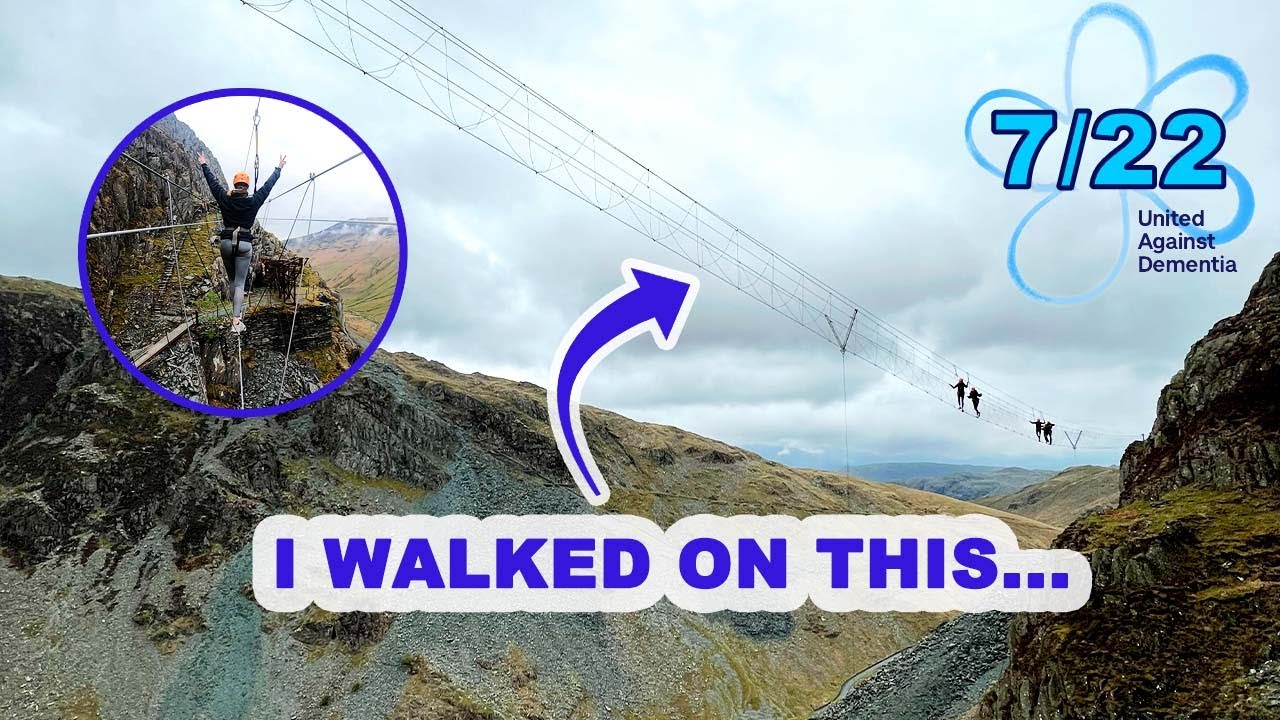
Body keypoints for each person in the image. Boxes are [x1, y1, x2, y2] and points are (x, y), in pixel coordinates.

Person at [199, 151, 286, 332]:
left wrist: (204, 164)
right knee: (240, 283)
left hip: (225, 243)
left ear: (234, 184)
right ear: (246, 186)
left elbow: (213, 184)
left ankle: (234, 313)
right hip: (245, 244)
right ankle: (236, 320)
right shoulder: (254, 201)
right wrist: (278, 168)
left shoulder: (224, 198)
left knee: (232, 281)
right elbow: (267, 187)